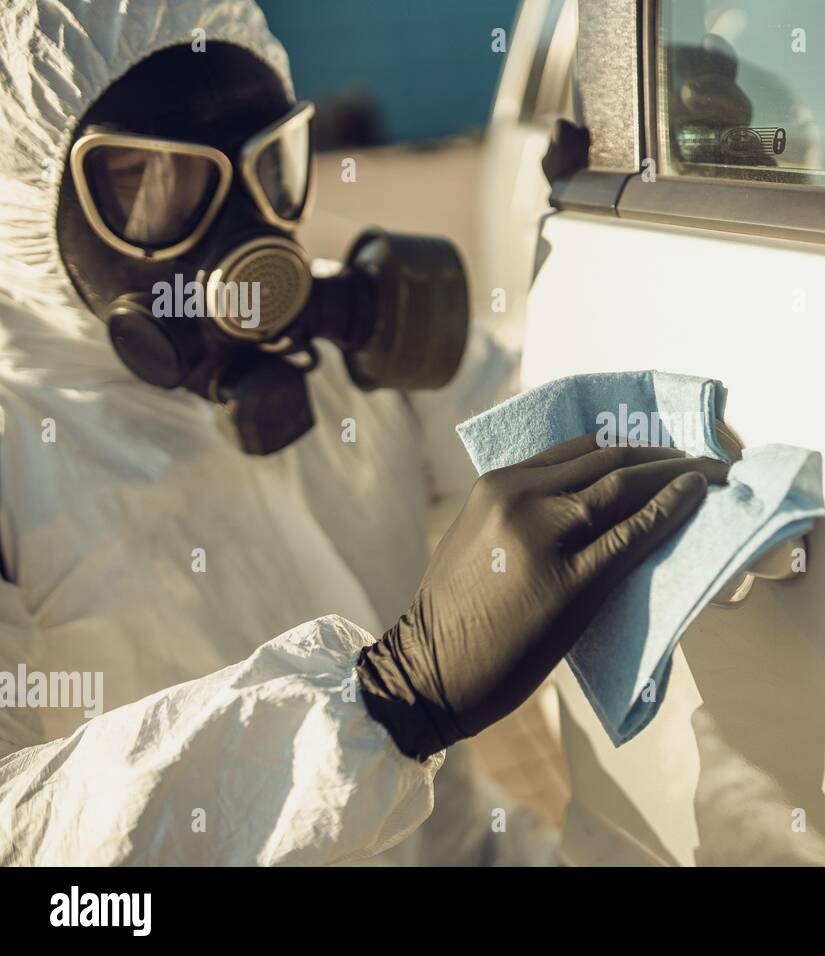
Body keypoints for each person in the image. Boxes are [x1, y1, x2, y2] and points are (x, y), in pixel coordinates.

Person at [0, 0, 725, 865]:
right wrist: (390, 697)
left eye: (272, 167)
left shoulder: (345, 349)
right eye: (156, 186)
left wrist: (657, 227)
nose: (251, 240)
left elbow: (572, 434)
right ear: (25, 193)